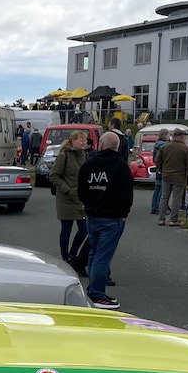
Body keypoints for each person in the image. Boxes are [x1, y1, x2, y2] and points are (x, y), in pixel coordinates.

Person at [78, 131, 134, 310]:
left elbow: (81, 190)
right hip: (112, 217)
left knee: (94, 254)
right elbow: (126, 193)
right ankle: (97, 294)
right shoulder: (120, 166)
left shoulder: (88, 164)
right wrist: (124, 212)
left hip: (92, 214)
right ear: (117, 147)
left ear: (100, 145)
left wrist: (89, 204)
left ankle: (93, 289)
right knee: (102, 256)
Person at [49, 130, 89, 274]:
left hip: (81, 198)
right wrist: (68, 190)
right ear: (73, 141)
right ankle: (65, 258)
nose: (84, 143)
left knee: (84, 229)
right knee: (66, 228)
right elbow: (53, 176)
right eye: (81, 140)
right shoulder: (64, 156)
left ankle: (73, 254)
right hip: (66, 198)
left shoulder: (85, 155)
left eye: (85, 140)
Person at [157, 128, 188, 227]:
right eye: (184, 137)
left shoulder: (164, 147)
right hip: (179, 177)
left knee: (164, 197)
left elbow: (157, 161)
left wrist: (162, 170)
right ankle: (173, 219)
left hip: (166, 176)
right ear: (181, 137)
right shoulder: (185, 149)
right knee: (176, 198)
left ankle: (161, 218)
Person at [150, 128, 170, 214]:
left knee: (157, 188)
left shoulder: (156, 145)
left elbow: (155, 159)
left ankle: (154, 207)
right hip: (164, 168)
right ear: (165, 135)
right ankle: (160, 207)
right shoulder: (166, 146)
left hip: (158, 168)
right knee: (163, 190)